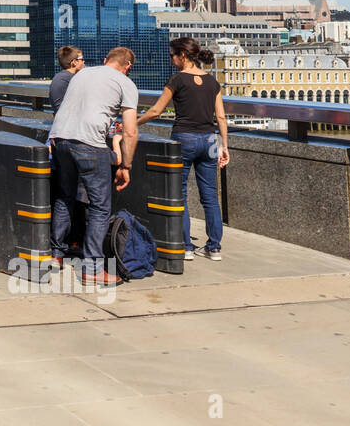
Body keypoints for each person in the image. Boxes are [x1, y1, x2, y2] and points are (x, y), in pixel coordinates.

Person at [48, 47, 140, 286]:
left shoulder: (81, 74)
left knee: (64, 196)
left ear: (104, 60)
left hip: (59, 139)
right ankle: (93, 269)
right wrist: (126, 166)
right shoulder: (125, 83)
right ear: (128, 66)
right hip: (89, 143)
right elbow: (130, 130)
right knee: (100, 206)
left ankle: (56, 255)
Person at [138, 36, 230, 261]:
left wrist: (133, 123)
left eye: (172, 56)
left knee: (179, 194)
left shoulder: (177, 80)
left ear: (183, 56)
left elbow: (156, 111)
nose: (171, 61)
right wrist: (224, 146)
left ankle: (186, 246)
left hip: (184, 139)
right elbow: (221, 116)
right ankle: (214, 247)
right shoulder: (212, 82)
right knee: (210, 195)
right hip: (209, 141)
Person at [49, 46, 84, 115]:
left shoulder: (59, 77)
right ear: (74, 62)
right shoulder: (72, 79)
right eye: (82, 59)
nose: (84, 61)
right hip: (70, 121)